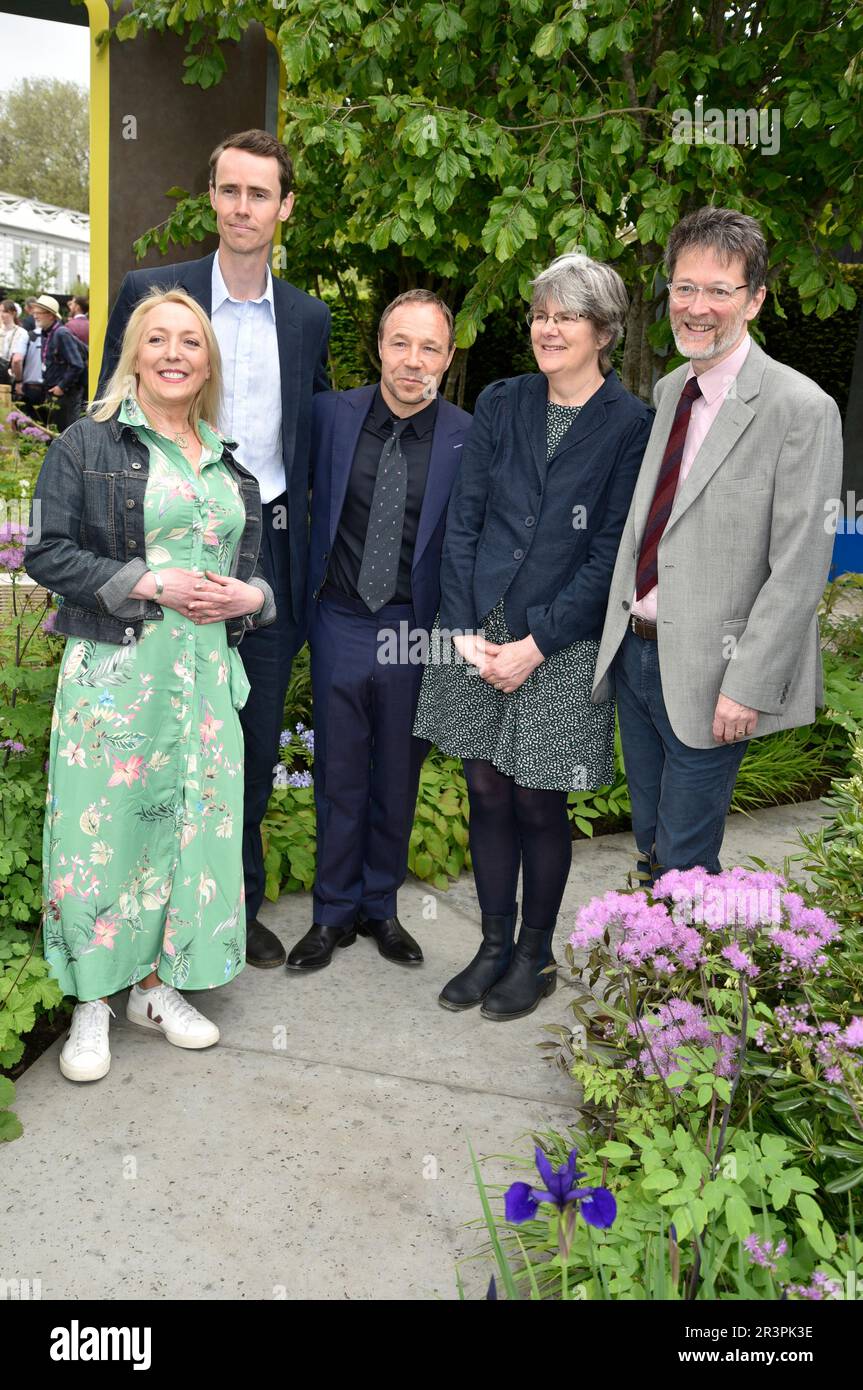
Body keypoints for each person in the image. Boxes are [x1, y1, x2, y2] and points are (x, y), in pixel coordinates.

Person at [25, 289, 276, 1082]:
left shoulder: (228, 464)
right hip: (118, 678)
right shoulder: (87, 445)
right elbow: (46, 552)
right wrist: (148, 581)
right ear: (134, 353)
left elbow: (253, 575)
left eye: (190, 343)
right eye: (157, 339)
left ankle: (159, 988)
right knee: (105, 837)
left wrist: (255, 599)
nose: (174, 353)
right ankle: (94, 1003)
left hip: (204, 685)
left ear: (207, 364)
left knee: (192, 835)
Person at [98, 128, 331, 969]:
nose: (242, 208)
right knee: (154, 730)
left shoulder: (308, 318)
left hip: (259, 546)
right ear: (212, 198)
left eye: (259, 194)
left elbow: (308, 446)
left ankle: (231, 902)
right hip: (161, 539)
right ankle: (138, 914)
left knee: (248, 738)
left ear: (284, 208)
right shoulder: (151, 293)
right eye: (229, 191)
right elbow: (103, 419)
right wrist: (128, 558)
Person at [414, 253, 652, 1020]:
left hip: (563, 637)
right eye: (541, 314)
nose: (548, 328)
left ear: (603, 330)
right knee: (484, 788)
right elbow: (465, 518)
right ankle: (489, 947)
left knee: (535, 800)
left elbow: (610, 551)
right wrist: (460, 627)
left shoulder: (630, 423)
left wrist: (538, 643)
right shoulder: (501, 399)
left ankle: (532, 956)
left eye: (566, 316)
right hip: (480, 626)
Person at [592, 206, 844, 883]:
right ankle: (656, 974)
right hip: (638, 661)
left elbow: (798, 565)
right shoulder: (672, 388)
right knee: (648, 840)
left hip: (716, 676)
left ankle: (682, 986)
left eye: (718, 290)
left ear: (754, 300)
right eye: (683, 287)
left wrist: (749, 683)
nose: (696, 307)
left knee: (684, 858)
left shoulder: (801, 408)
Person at [289, 291, 471, 972]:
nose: (412, 361)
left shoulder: (466, 435)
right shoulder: (330, 416)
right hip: (338, 616)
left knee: (396, 774)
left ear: (447, 358)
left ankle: (380, 908)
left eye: (429, 347)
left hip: (414, 628)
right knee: (338, 772)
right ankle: (331, 913)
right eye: (400, 343)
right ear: (379, 346)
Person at [31, 293, 85, 431]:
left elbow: (77, 364)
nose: (35, 316)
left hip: (66, 396)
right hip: (54, 394)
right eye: (34, 312)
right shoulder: (46, 333)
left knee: (66, 434)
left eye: (39, 313)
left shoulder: (61, 334)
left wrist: (61, 387)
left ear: (50, 315)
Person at [0, 300, 29, 386]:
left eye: (5, 311)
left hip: (7, 375)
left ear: (13, 313)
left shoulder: (21, 332)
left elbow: (17, 360)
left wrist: (18, 381)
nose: (1, 314)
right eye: (0, 311)